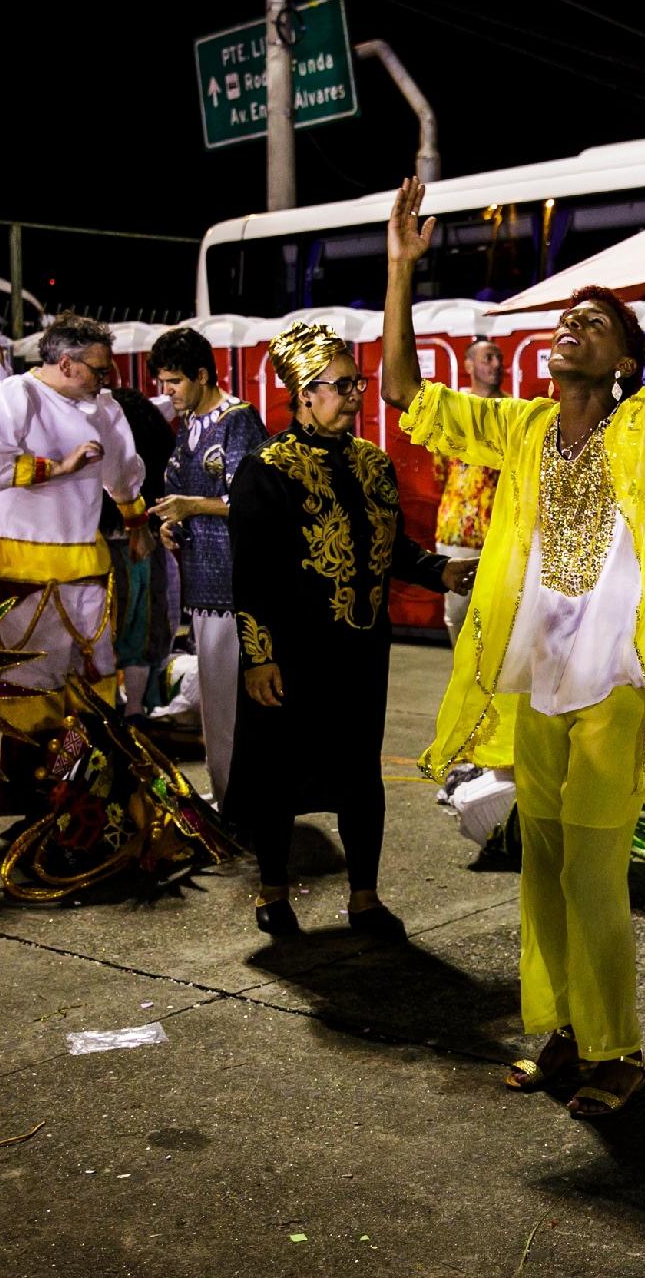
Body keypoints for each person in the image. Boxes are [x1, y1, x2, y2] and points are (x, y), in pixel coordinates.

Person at [383, 114, 645, 1116]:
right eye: (568, 316)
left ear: (621, 362)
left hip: (612, 687)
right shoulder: (519, 429)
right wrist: (400, 270)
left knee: (596, 885)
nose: (571, 324)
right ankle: (562, 1034)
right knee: (543, 874)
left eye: (595, 321)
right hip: (537, 685)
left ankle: (620, 1056)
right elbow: (402, 393)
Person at [225, 320, 467, 939]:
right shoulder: (265, 471)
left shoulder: (372, 464)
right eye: (341, 385)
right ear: (304, 393)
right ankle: (273, 890)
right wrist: (259, 658)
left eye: (357, 383)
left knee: (360, 772)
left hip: (359, 651)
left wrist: (441, 572)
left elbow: (390, 550)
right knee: (278, 773)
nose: (356, 395)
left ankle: (364, 897)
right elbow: (251, 579)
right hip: (290, 654)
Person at [0, 313, 150, 821]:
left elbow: (124, 472)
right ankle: (35, 811)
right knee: (29, 686)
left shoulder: (102, 408)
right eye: (98, 370)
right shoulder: (13, 397)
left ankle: (89, 806)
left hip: (81, 570)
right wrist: (57, 467)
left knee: (94, 682)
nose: (105, 379)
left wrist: (137, 524)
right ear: (65, 363)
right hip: (19, 572)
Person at [146, 326, 265, 806]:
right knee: (217, 706)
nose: (167, 392)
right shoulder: (189, 426)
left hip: (235, 586)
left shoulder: (238, 421)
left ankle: (242, 802)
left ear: (202, 374)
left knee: (235, 706)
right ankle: (228, 796)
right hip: (202, 582)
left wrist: (191, 506)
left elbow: (254, 501)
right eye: (162, 382)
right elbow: (184, 496)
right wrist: (170, 526)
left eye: (174, 381)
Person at [108, 387, 176, 725]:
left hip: (104, 547)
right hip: (148, 544)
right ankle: (136, 708)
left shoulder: (104, 437)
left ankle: (107, 709)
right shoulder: (157, 436)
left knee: (106, 631)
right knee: (144, 627)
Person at [430, 338, 504, 645]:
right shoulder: (453, 413)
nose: (496, 365)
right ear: (469, 365)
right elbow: (439, 471)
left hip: (501, 531)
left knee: (498, 614)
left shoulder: (514, 412)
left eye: (499, 358)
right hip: (456, 531)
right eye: (488, 358)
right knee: (457, 612)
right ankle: (463, 678)